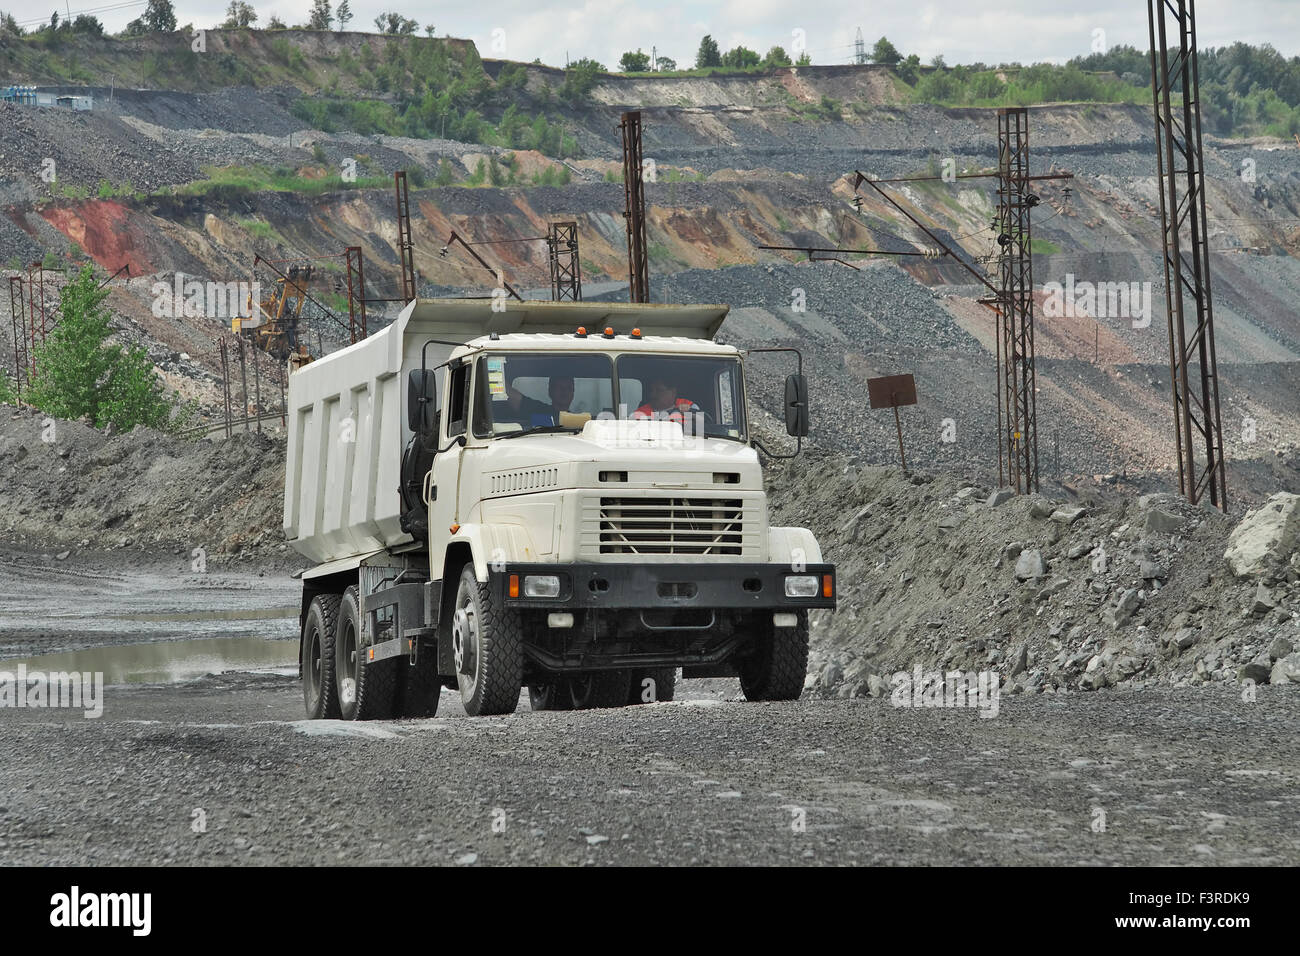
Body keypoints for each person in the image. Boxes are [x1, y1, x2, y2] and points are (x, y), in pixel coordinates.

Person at [505, 375, 574, 426]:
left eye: (569, 388)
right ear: (550, 391)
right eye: (560, 387)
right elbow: (513, 397)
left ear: (573, 393)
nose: (564, 391)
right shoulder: (538, 410)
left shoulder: (577, 420)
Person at [633, 377, 700, 425]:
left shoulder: (690, 406)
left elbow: (702, 426)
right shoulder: (640, 413)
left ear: (673, 392)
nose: (653, 394)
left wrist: (689, 413)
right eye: (651, 390)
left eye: (659, 390)